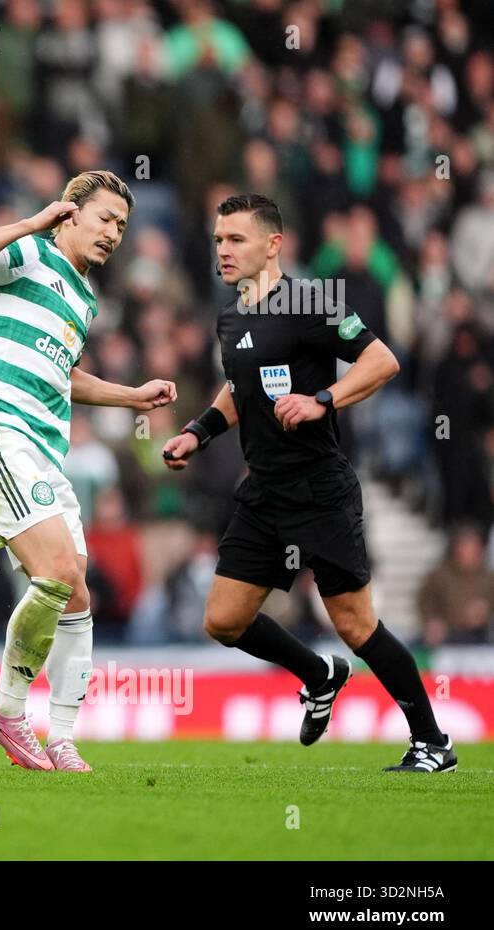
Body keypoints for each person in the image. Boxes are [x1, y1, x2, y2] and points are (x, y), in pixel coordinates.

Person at [162, 192, 455, 773]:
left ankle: (433, 741)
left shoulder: (311, 301)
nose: (223, 250)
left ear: (273, 244)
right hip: (265, 492)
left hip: (319, 489)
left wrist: (324, 398)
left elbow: (382, 361)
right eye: (219, 239)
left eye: (236, 239)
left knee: (355, 625)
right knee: (223, 619)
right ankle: (319, 675)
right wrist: (199, 432)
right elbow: (241, 389)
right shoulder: (231, 315)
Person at [0, 170, 177, 772]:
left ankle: (64, 736)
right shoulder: (27, 251)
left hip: (42, 455)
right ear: (69, 213)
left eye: (122, 226)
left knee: (76, 589)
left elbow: (63, 375)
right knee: (54, 572)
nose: (114, 234)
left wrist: (131, 397)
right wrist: (29, 221)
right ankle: (5, 708)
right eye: (105, 219)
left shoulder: (84, 296)